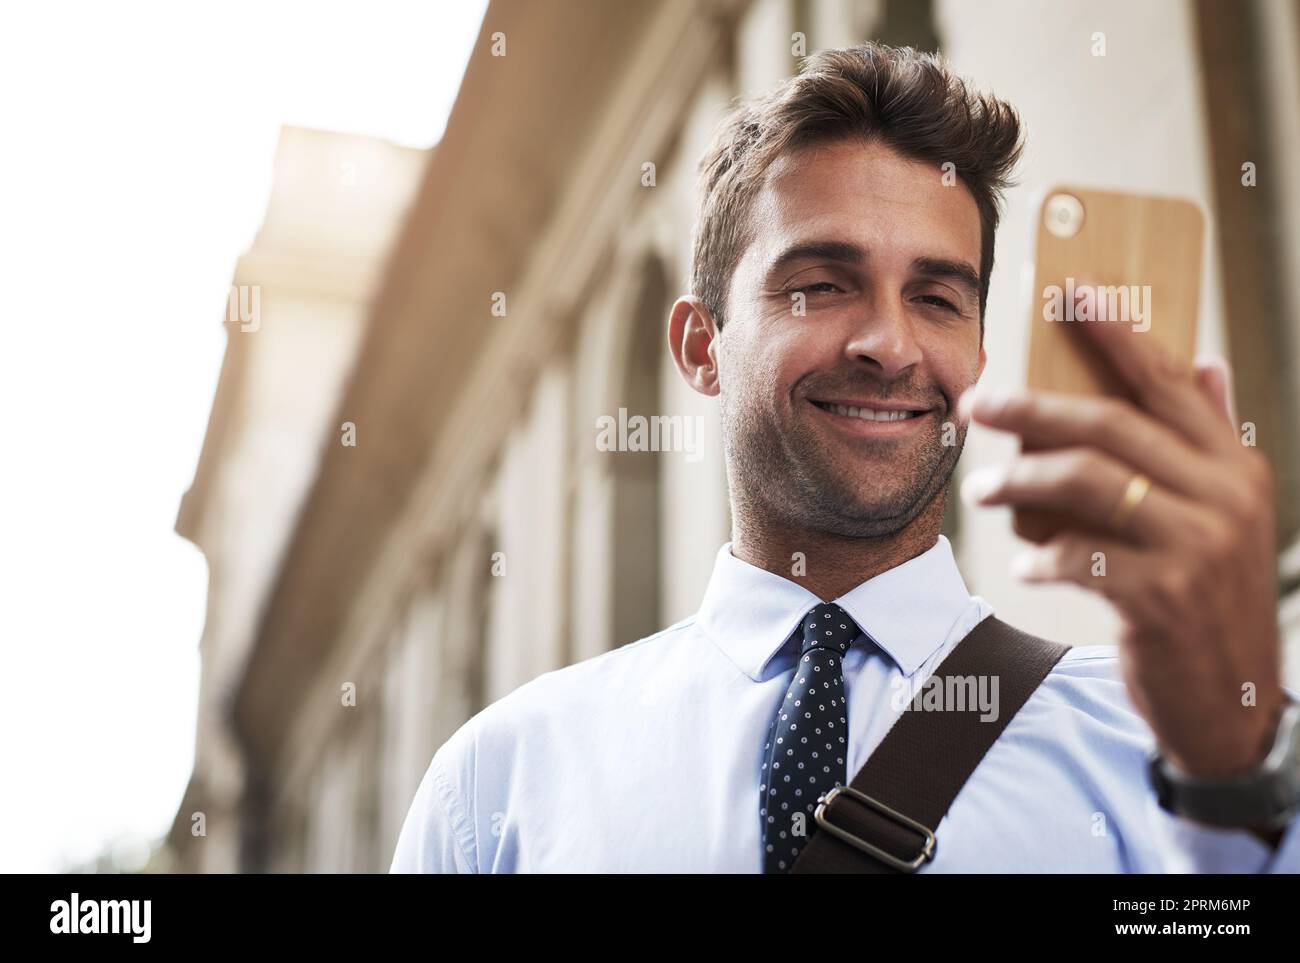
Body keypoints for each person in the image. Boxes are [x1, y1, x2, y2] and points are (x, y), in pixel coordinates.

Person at [390, 42, 1299, 873]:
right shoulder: (499, 787)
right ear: (702, 347)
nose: (889, 345)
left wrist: (1233, 772)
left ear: (979, 359)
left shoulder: (1167, 746)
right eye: (822, 285)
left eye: (939, 298)